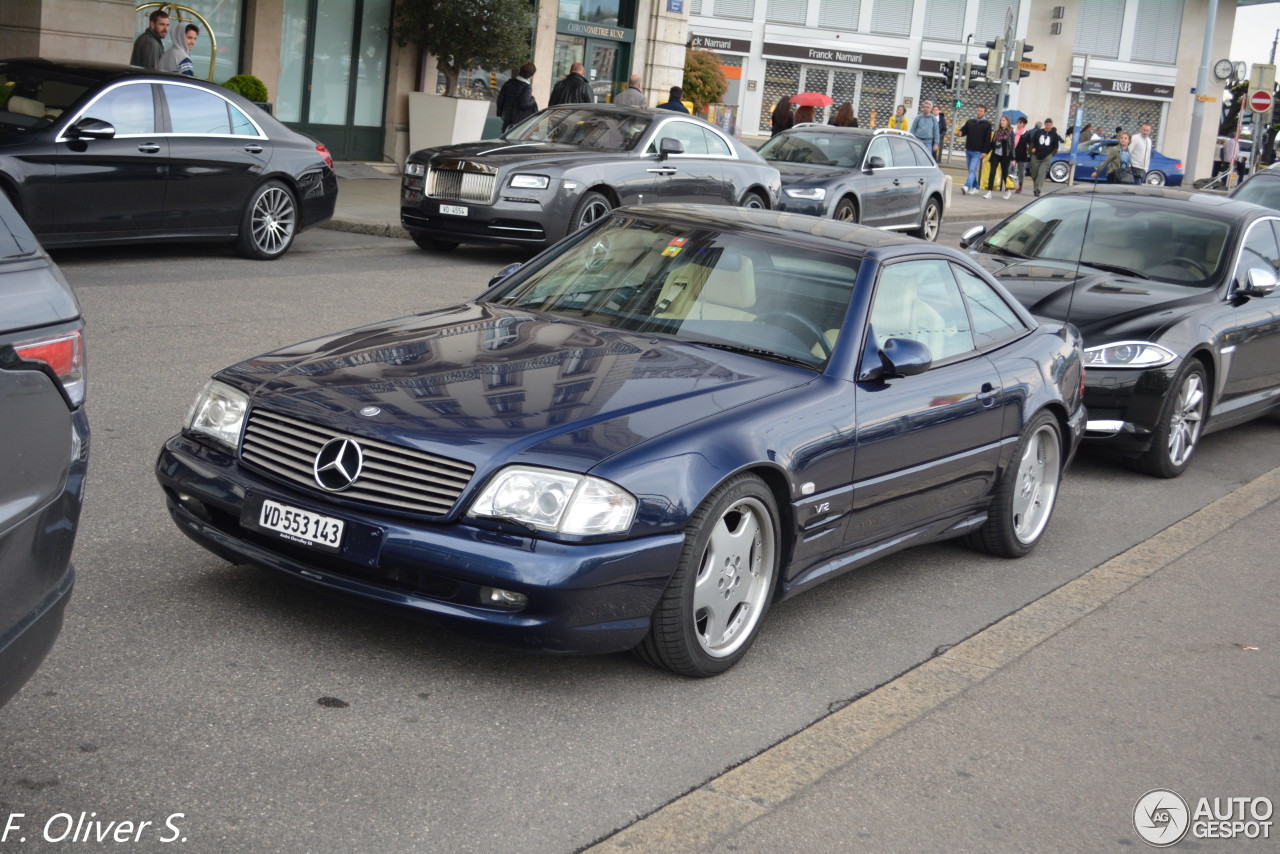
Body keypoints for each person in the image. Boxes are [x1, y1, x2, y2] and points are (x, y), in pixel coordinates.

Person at [956, 104, 992, 195]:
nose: (979, 112)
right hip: (968, 149)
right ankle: (976, 187)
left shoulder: (987, 124)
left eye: (981, 111)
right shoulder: (970, 122)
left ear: (984, 113)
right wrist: (960, 133)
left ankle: (967, 186)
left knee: (972, 169)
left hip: (978, 151)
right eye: (978, 110)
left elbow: (988, 140)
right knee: (971, 170)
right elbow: (963, 131)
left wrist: (985, 152)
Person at [1027, 117, 1064, 196]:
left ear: (1052, 124)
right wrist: (1031, 150)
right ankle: (1035, 187)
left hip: (1047, 156)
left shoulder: (1054, 135)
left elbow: (1055, 147)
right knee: (1034, 173)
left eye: (1049, 123)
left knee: (1041, 173)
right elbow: (1033, 142)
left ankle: (1038, 190)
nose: (1048, 124)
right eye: (1046, 122)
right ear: (1044, 124)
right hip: (1036, 155)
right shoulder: (1039, 132)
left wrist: (1051, 155)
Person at [496, 63, 538, 130]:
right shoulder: (526, 87)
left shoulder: (509, 83)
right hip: (520, 122)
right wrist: (533, 98)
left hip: (507, 119)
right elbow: (524, 104)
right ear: (530, 75)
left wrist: (501, 114)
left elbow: (500, 100)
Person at [985, 114, 1015, 199]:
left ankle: (1008, 191)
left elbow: (1012, 146)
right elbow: (992, 144)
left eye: (1003, 120)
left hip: (1005, 156)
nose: (1001, 122)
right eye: (1001, 120)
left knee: (1005, 173)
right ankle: (989, 192)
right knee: (992, 173)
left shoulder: (1010, 132)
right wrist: (985, 152)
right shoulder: (997, 132)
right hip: (995, 154)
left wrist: (1013, 158)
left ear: (1007, 122)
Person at [1012, 116, 1031, 193]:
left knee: (1021, 171)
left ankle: (1020, 186)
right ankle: (1010, 184)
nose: (1018, 123)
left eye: (1020, 122)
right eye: (1018, 122)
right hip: (1013, 154)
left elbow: (1030, 143)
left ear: (1024, 124)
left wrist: (1028, 151)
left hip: (1022, 154)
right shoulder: (1013, 131)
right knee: (1011, 170)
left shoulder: (1026, 133)